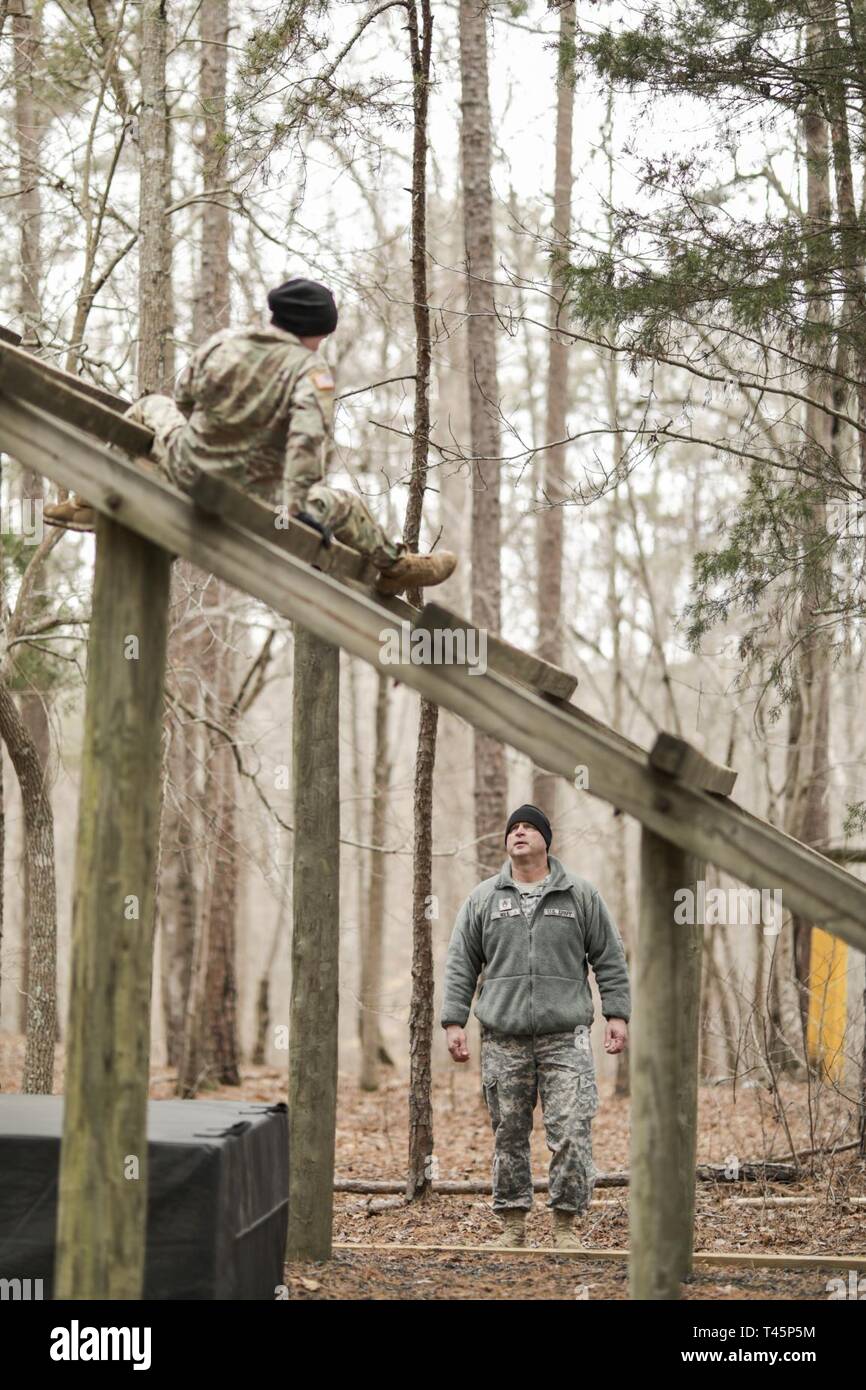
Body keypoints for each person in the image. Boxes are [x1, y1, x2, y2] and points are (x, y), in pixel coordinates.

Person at [44, 278, 457, 598]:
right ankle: (396, 567)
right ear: (314, 332)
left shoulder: (225, 342)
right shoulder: (310, 372)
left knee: (151, 405)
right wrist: (297, 507)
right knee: (346, 504)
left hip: (185, 469)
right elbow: (307, 446)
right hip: (255, 501)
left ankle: (87, 500)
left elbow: (184, 397)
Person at [441, 803, 630, 1250]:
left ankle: (565, 1226)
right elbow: (459, 965)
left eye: (529, 827)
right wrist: (454, 1021)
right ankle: (512, 1227)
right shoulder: (484, 898)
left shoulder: (580, 895)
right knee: (508, 1133)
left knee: (570, 1129)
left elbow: (610, 958)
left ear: (547, 840)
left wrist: (616, 1014)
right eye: (514, 828)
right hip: (502, 1037)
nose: (519, 833)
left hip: (567, 1037)